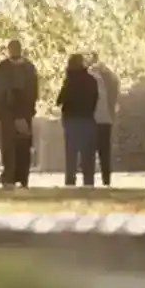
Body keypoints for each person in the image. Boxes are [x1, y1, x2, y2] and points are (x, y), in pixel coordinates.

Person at [0, 38, 38, 189]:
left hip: (15, 114)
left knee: (18, 146)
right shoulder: (24, 68)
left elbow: (32, 93)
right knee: (13, 147)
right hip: (11, 114)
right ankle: (13, 175)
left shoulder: (9, 68)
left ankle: (18, 176)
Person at [56, 53, 100, 187]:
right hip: (87, 119)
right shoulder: (91, 80)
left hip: (71, 120)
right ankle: (89, 179)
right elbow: (95, 99)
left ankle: (70, 179)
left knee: (71, 152)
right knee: (88, 152)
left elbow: (59, 100)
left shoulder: (69, 81)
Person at [88, 53, 120, 186]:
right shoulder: (109, 76)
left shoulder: (90, 75)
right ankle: (106, 179)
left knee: (90, 150)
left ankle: (89, 179)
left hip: (93, 118)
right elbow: (115, 90)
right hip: (106, 118)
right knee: (104, 150)